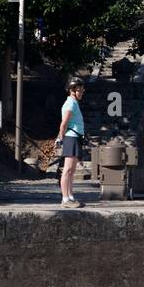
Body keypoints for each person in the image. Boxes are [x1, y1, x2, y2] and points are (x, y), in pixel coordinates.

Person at [57, 79, 86, 208]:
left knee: (72, 170)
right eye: (80, 90)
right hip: (71, 138)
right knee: (67, 169)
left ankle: (70, 196)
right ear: (72, 91)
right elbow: (64, 123)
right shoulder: (70, 104)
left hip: (76, 137)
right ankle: (65, 198)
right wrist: (60, 138)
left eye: (82, 90)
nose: (82, 92)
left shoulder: (74, 103)